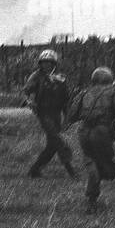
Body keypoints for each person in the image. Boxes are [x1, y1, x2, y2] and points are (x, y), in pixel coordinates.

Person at [68, 66, 115, 212]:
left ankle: (92, 199)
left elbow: (71, 115)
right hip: (101, 133)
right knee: (111, 170)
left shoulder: (84, 93)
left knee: (91, 159)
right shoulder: (114, 92)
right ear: (110, 79)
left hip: (84, 132)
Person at [23, 49, 76, 179]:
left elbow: (66, 99)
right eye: (44, 63)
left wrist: (67, 118)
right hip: (43, 113)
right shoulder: (36, 76)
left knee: (52, 146)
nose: (46, 65)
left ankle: (34, 170)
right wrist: (30, 101)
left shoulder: (61, 78)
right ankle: (72, 171)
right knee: (57, 140)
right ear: (40, 63)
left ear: (54, 64)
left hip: (56, 113)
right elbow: (27, 90)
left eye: (50, 63)